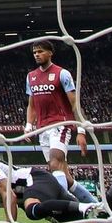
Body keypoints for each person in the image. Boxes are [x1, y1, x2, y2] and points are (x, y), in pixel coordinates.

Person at [24, 40, 96, 203]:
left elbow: (74, 103)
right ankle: (95, 206)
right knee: (64, 176)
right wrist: (28, 125)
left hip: (60, 125)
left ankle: (62, 206)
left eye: (40, 51)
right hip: (42, 129)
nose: (37, 54)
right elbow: (31, 105)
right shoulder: (31, 77)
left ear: (50, 53)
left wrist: (81, 131)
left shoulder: (62, 74)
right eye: (35, 52)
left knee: (55, 163)